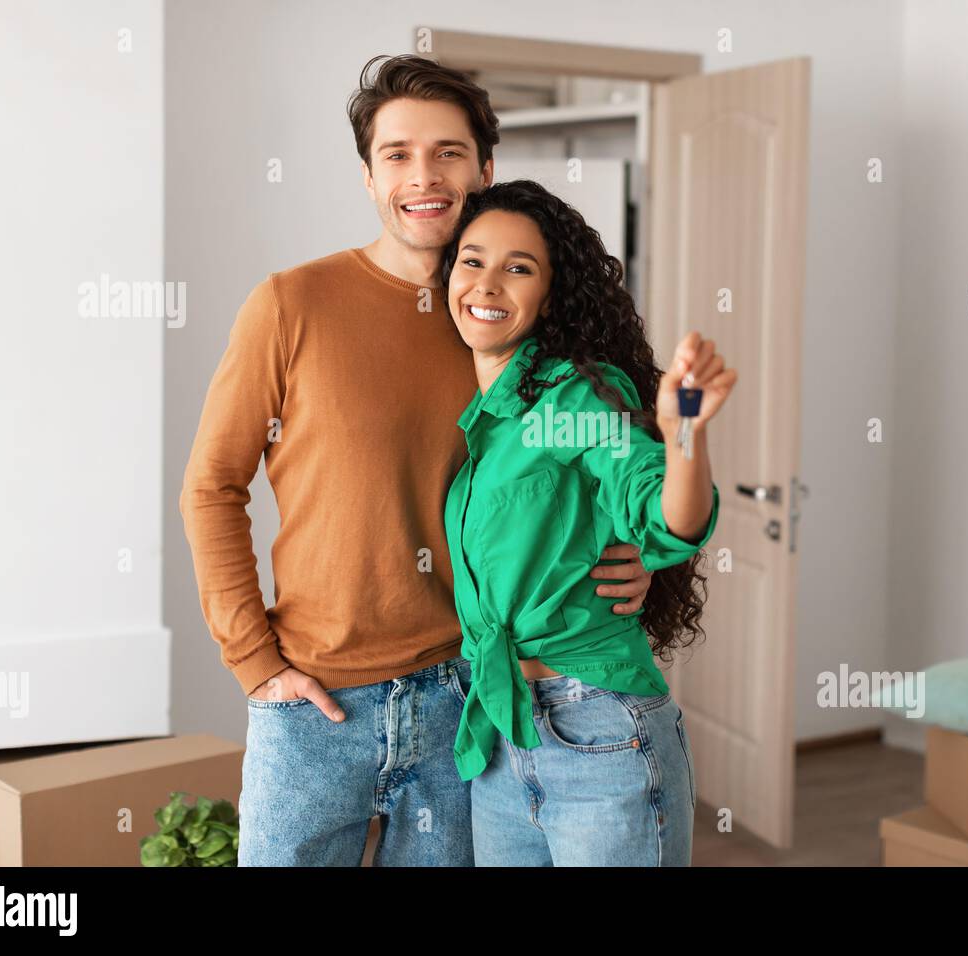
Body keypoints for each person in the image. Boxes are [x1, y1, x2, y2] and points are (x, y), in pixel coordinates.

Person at [178, 55, 655, 866]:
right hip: (314, 706)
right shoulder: (291, 304)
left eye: (448, 152)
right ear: (368, 175)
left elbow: (599, 472)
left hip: (466, 700)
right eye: (397, 154)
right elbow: (212, 486)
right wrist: (255, 663)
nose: (423, 175)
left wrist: (635, 560)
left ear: (485, 168)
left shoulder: (503, 322)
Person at [439, 180, 737, 866]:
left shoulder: (574, 394)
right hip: (501, 732)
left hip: (598, 734)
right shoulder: (480, 413)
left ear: (551, 292)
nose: (486, 283)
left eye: (519, 268)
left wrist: (683, 436)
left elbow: (664, 514)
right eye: (472, 260)